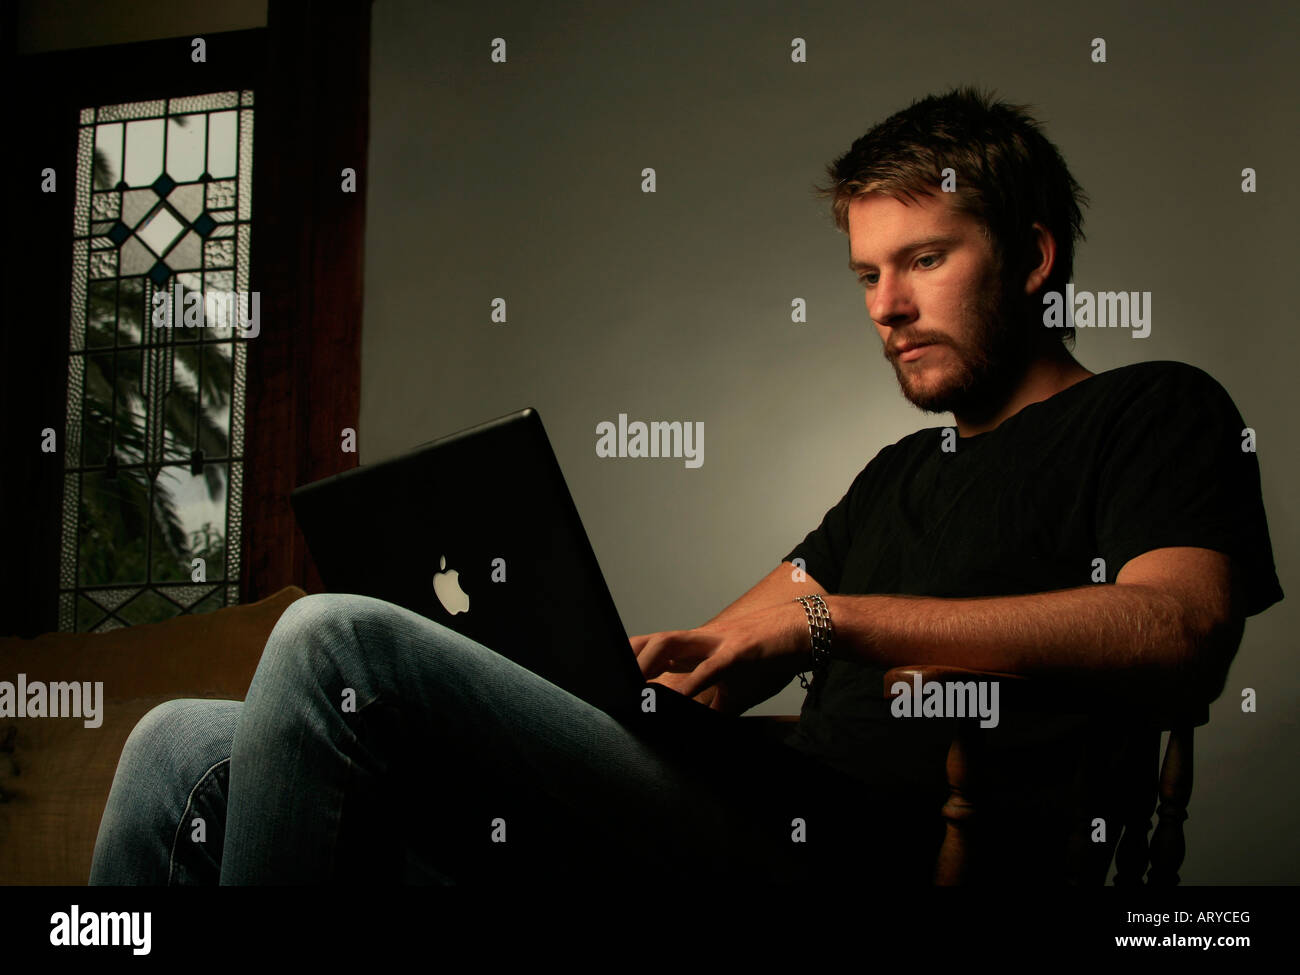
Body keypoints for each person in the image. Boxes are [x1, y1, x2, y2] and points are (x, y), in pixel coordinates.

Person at [89, 86, 1283, 886]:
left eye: (924, 259)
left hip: (888, 853)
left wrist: (834, 621)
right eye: (868, 272)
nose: (886, 306)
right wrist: (630, 669)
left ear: (1029, 257)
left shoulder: (1157, 409)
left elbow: (1175, 630)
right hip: (755, 797)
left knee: (330, 638)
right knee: (178, 739)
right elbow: (728, 646)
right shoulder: (899, 475)